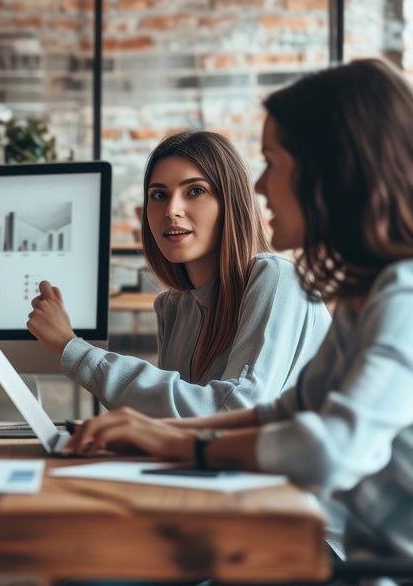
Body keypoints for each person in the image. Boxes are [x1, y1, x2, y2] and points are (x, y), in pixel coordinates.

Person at [68, 58, 413, 569]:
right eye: (158, 196)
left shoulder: (402, 297)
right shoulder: (366, 298)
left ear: (330, 169)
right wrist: (151, 431)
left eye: (273, 161)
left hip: (347, 559)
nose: (259, 187)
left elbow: (330, 449)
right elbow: (284, 411)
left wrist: (187, 446)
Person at [27, 130, 330, 418]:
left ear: (231, 202)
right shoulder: (175, 307)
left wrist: (74, 349)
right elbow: (176, 423)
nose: (172, 209)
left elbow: (234, 410)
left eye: (195, 191)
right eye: (159, 195)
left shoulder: (277, 278)